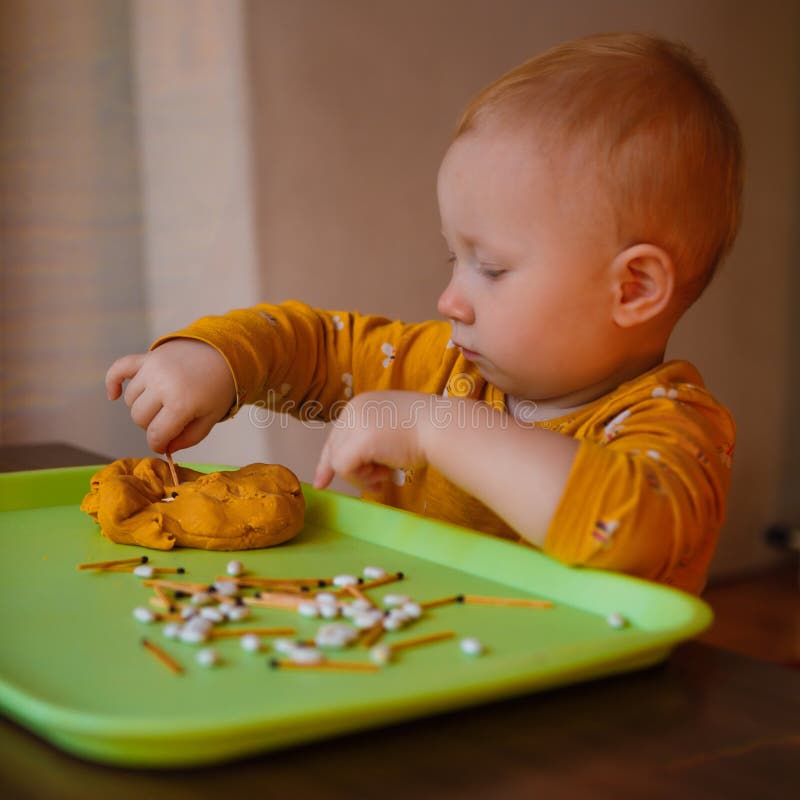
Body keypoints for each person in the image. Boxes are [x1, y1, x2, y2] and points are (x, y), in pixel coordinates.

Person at [106, 33, 741, 595]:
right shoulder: (440, 367)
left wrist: (437, 430)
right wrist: (216, 359)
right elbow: (318, 346)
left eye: (490, 269)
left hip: (594, 720)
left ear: (632, 288)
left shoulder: (676, 430)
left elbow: (628, 528)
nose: (450, 300)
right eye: (452, 260)